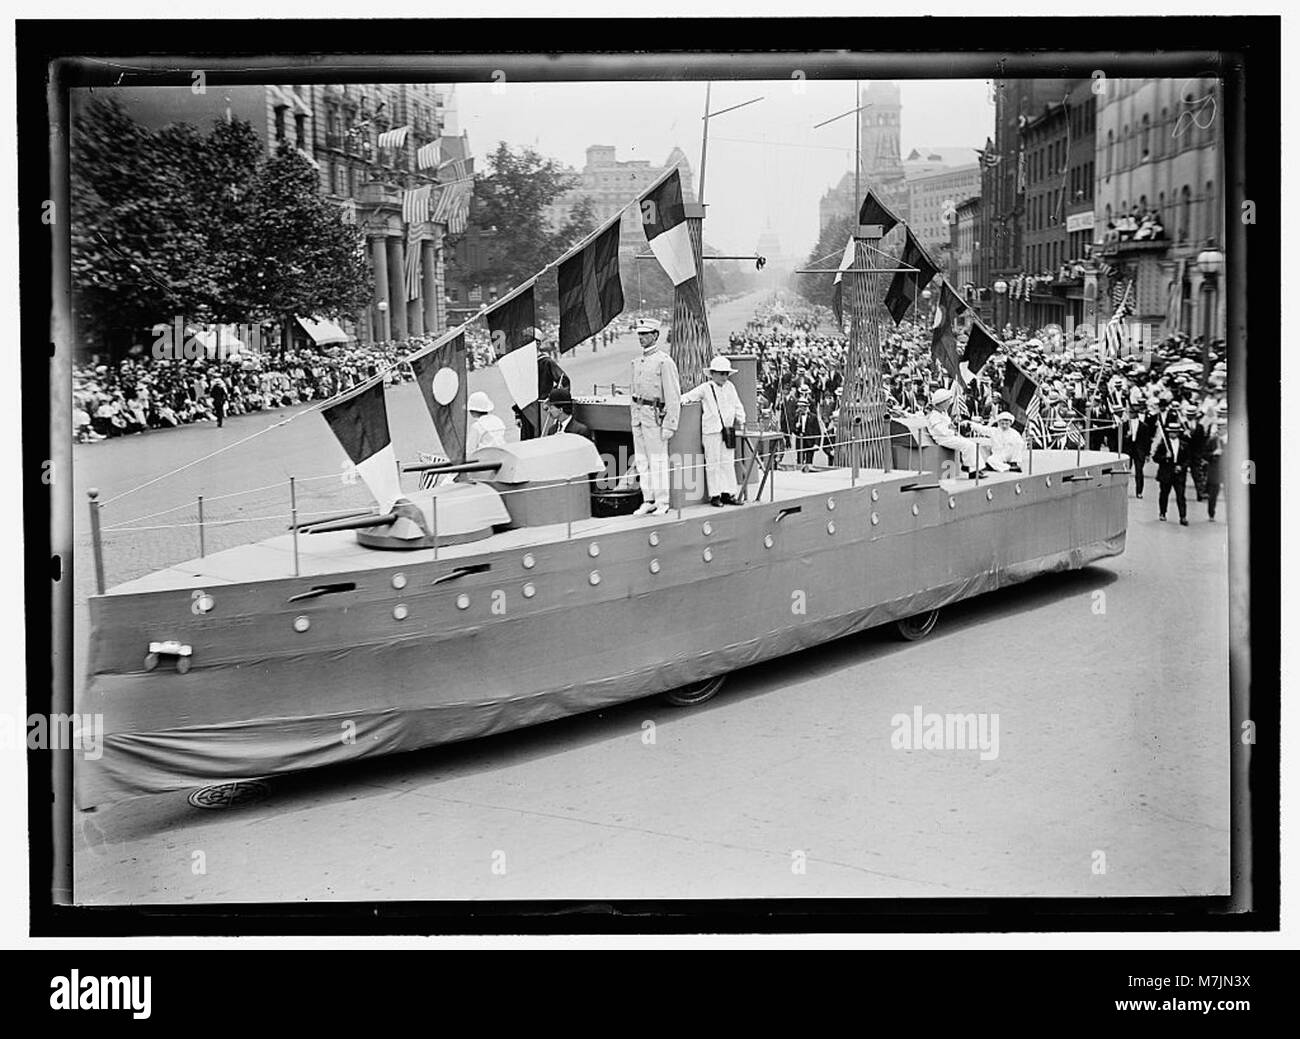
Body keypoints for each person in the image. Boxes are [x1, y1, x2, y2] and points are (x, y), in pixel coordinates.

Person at [629, 320, 681, 515]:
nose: (641, 338)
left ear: (655, 335)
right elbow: (633, 394)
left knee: (658, 460)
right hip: (640, 417)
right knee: (642, 461)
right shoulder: (636, 362)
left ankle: (662, 501)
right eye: (639, 334)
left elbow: (673, 395)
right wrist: (634, 415)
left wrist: (670, 424)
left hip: (655, 417)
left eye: (646, 334)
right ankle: (648, 498)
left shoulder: (664, 362)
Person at [681, 356, 747, 506]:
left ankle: (728, 493)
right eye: (721, 373)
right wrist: (675, 402)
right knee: (713, 463)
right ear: (713, 373)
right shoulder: (705, 388)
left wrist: (742, 420)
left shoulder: (730, 387)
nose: (724, 376)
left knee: (727, 462)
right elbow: (688, 397)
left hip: (727, 430)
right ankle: (715, 495)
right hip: (711, 431)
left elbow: (737, 405)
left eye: (726, 373)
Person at [925, 387, 981, 477]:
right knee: (968, 445)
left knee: (972, 444)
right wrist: (951, 430)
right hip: (942, 438)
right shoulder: (934, 415)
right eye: (947, 401)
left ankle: (974, 467)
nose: (948, 403)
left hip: (948, 436)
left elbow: (948, 426)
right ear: (941, 403)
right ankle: (970, 469)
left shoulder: (943, 413)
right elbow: (941, 430)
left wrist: (953, 427)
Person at [1152, 413, 1191, 525]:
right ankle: (1163, 512)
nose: (1173, 434)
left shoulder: (1184, 444)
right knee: (1164, 494)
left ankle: (1183, 516)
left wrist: (1181, 467)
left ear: (1178, 433)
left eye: (1175, 432)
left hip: (1179, 474)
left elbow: (1188, 459)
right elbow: (1155, 458)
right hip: (1166, 473)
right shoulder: (1163, 445)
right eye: (1171, 432)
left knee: (1181, 496)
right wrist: (1165, 457)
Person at [466, 390, 507, 457]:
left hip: (485, 457)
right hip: (502, 453)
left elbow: (470, 449)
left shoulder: (477, 426)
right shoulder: (497, 420)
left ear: (472, 411)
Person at [790, 395, 823, 469]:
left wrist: (816, 444)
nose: (800, 408)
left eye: (802, 406)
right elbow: (793, 429)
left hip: (810, 441)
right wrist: (796, 428)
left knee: (809, 461)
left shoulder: (813, 417)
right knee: (800, 460)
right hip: (800, 441)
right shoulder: (796, 417)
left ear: (806, 407)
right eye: (799, 406)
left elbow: (817, 431)